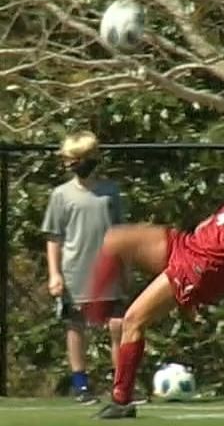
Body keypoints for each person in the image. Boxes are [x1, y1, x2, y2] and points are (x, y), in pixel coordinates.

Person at [88, 146, 224, 419]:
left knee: (133, 320)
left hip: (196, 267)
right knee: (115, 240)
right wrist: (209, 223)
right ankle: (101, 315)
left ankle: (121, 400)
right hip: (188, 247)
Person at [42, 131, 125, 404]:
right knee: (76, 327)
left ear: (92, 158)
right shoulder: (61, 195)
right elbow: (54, 237)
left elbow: (120, 231)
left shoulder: (111, 191)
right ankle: (81, 385)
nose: (73, 165)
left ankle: (121, 384)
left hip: (108, 269)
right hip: (74, 272)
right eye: (70, 160)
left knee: (117, 326)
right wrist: (55, 274)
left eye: (78, 159)